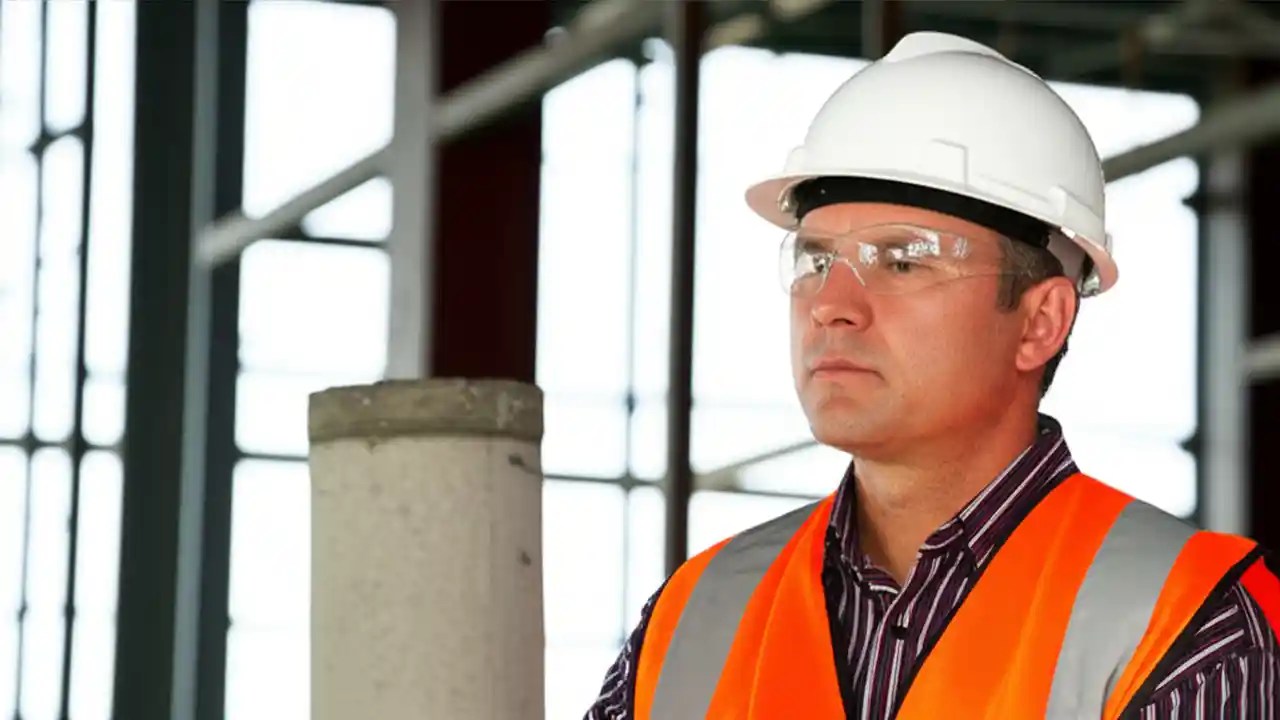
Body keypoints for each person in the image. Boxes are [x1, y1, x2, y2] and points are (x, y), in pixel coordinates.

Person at [584, 31, 1280, 719]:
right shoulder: (691, 621)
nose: (831, 306)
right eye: (816, 260)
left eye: (904, 260)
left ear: (1040, 322)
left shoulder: (1188, 628)